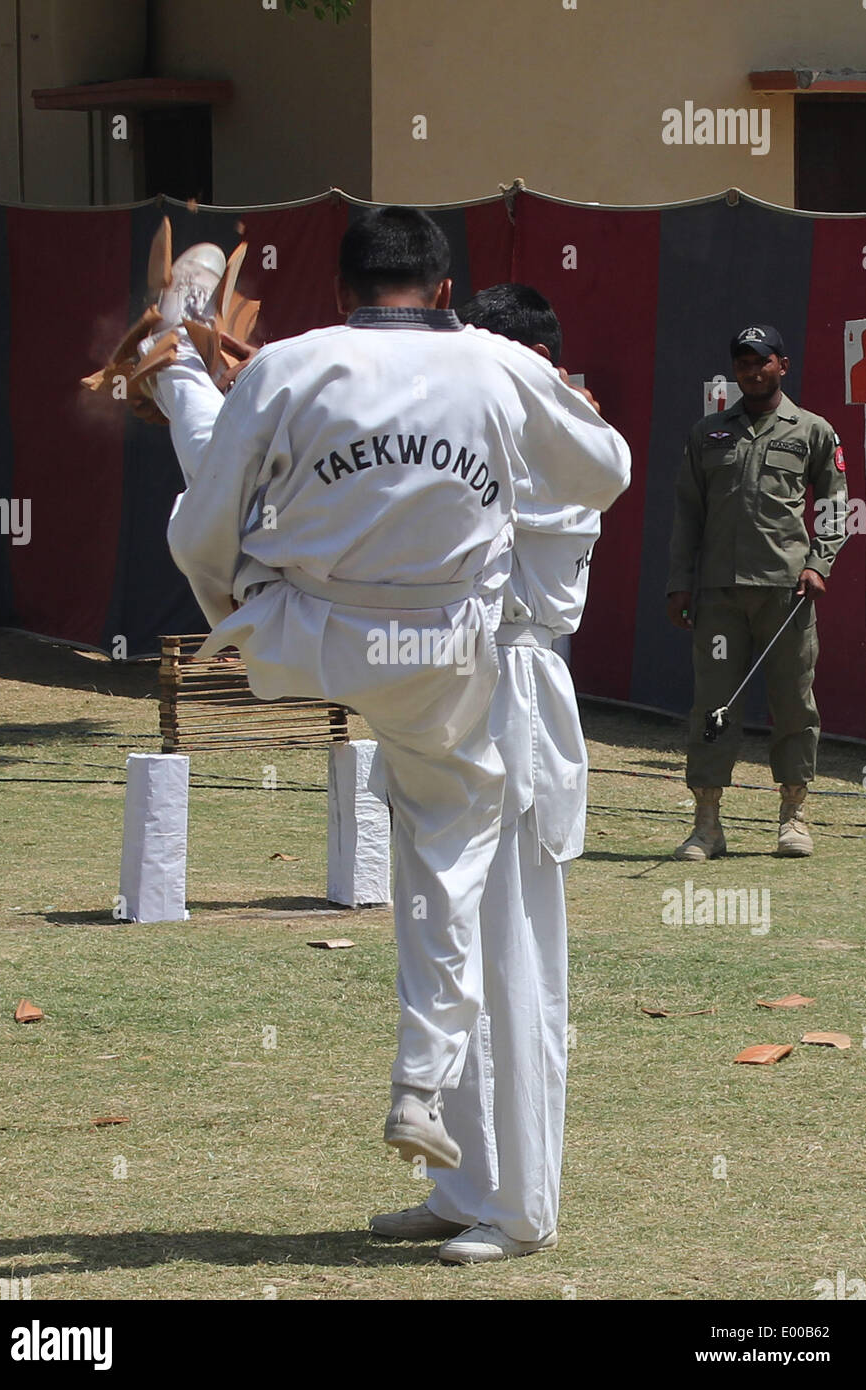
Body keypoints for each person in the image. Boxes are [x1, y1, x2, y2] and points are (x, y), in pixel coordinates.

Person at [136, 209, 631, 1194]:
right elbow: (607, 470)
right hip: (454, 656)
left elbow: (201, 524)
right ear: (445, 295)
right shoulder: (500, 372)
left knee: (451, 889)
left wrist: (235, 605)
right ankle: (426, 1091)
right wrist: (540, 410)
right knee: (456, 876)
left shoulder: (292, 365)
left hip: (315, 636)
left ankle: (173, 364)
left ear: (336, 291)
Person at [369, 283, 613, 1263]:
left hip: (507, 697)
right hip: (443, 700)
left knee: (511, 966)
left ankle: (520, 1211)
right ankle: (461, 1183)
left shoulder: (560, 445)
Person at [666, 324, 847, 860]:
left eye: (761, 360)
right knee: (713, 707)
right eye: (743, 362)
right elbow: (687, 515)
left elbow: (835, 504)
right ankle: (707, 823)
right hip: (719, 596)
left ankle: (793, 816)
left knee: (793, 702)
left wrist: (820, 563)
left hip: (787, 595)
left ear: (782, 365)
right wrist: (680, 582)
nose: (751, 370)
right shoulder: (708, 433)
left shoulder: (812, 430)